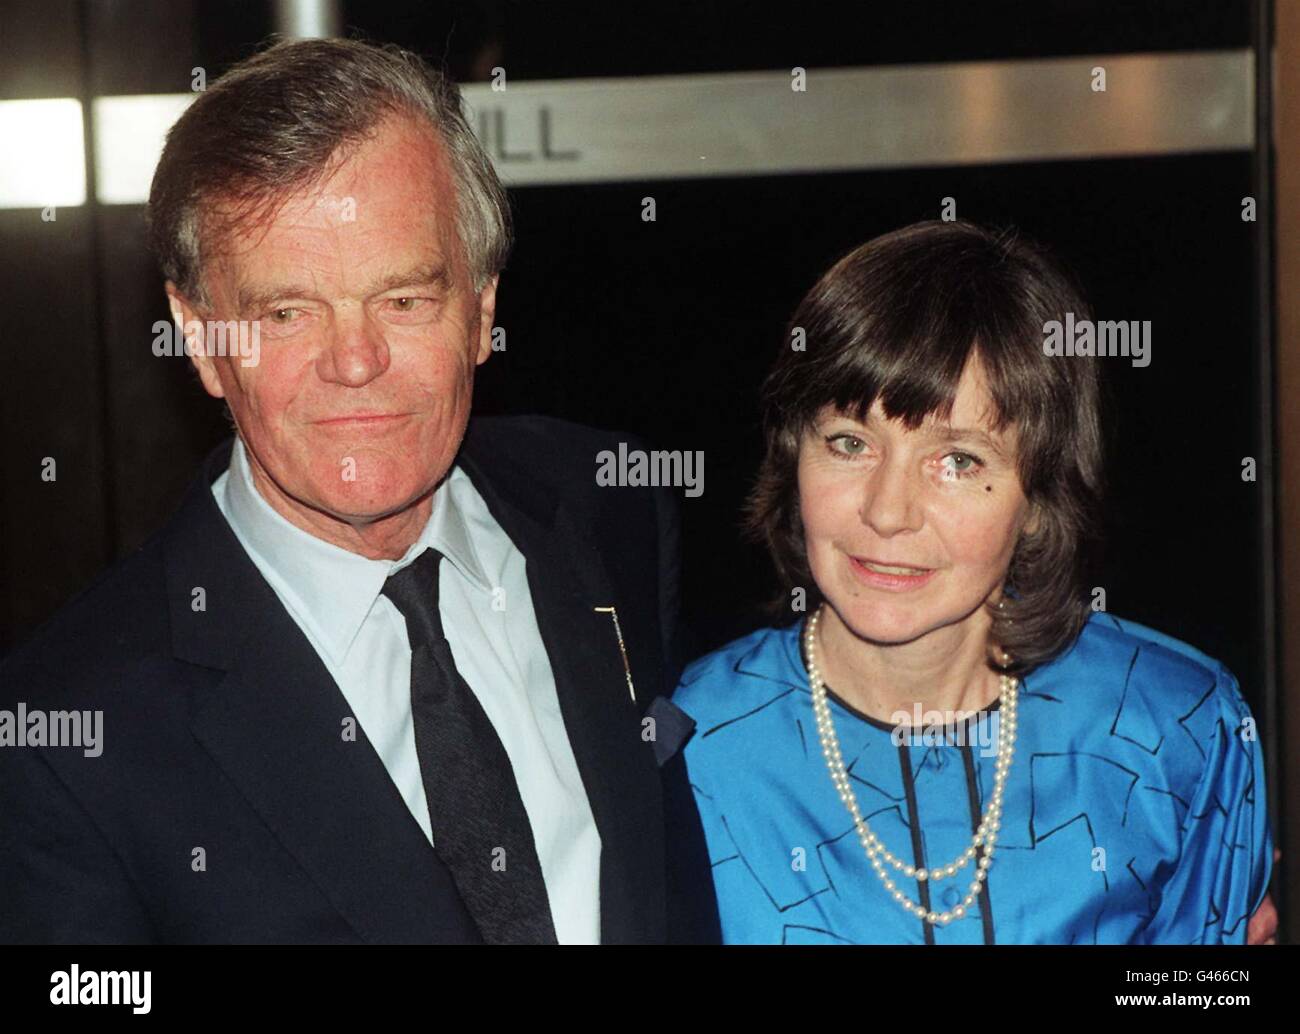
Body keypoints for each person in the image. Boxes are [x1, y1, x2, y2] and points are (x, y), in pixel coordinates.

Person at [0, 37, 714, 944]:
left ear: (482, 309)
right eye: (288, 313)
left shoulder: (606, 507)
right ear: (199, 335)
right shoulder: (71, 734)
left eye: (404, 300)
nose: (356, 362)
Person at [672, 220, 1275, 944]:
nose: (886, 512)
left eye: (958, 461)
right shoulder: (690, 747)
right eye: (848, 443)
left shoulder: (1174, 730)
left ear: (1039, 498)